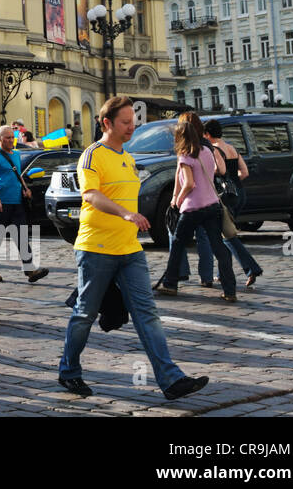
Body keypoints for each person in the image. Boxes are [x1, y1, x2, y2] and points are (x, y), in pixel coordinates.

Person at [58, 96, 209, 401]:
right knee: (85, 313)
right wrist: (126, 213)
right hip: (96, 247)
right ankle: (69, 371)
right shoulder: (92, 155)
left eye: (133, 121)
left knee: (147, 313)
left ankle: (171, 380)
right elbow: (90, 194)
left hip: (130, 249)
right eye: (125, 122)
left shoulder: (127, 157)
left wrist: (132, 218)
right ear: (107, 123)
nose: (132, 127)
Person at [154, 112, 238, 302]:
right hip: (212, 205)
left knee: (177, 243)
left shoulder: (185, 156)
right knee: (218, 247)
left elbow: (189, 184)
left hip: (193, 208)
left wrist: (177, 200)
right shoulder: (206, 152)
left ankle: (170, 283)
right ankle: (230, 289)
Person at [201, 120, 264, 288]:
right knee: (225, 233)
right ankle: (222, 273)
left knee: (227, 235)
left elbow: (219, 170)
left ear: (207, 134)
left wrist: (209, 171)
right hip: (239, 192)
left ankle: (251, 268)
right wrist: (233, 182)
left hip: (225, 196)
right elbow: (244, 172)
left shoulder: (213, 149)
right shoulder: (232, 148)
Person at [0, 126, 49, 284]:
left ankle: (30, 269)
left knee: (21, 236)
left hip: (17, 202)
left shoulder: (17, 154)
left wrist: (25, 188)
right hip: (1, 203)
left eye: (12, 137)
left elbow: (17, 173)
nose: (11, 140)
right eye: (7, 138)